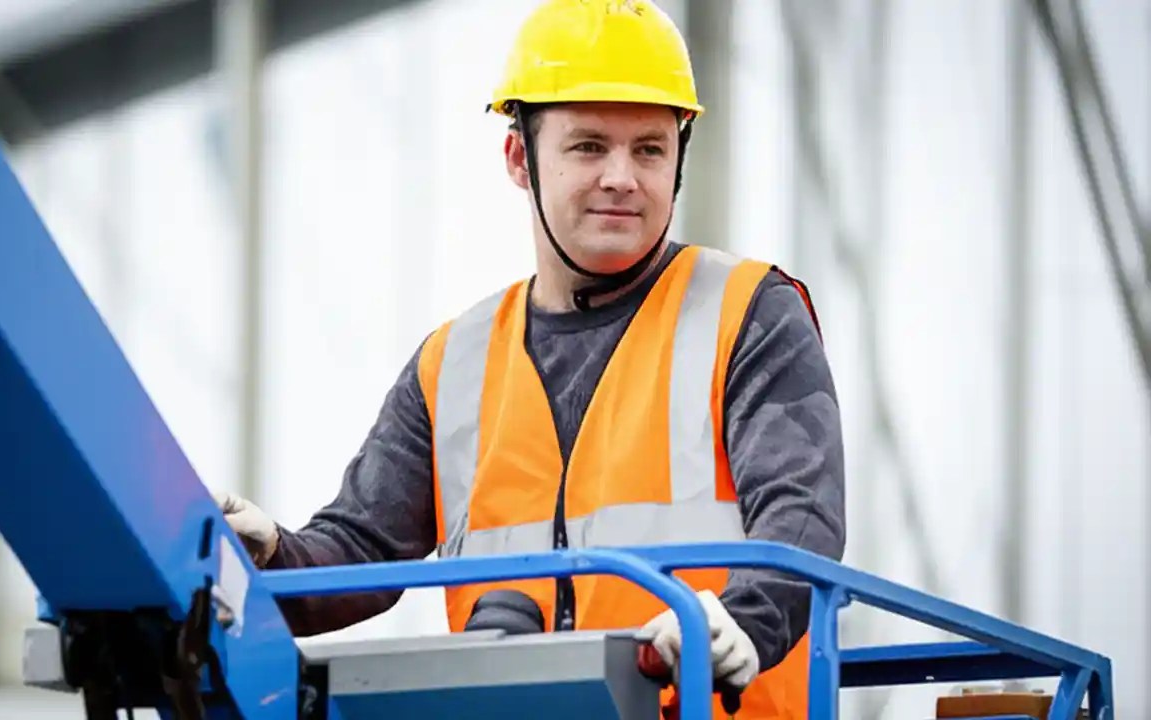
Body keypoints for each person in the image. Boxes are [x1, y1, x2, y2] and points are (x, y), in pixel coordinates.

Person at [213, 1, 845, 718]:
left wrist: (745, 620)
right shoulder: (453, 364)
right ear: (520, 159)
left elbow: (801, 520)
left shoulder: (749, 312)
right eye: (587, 147)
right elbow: (361, 549)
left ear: (679, 159)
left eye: (649, 149)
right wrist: (271, 559)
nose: (622, 177)